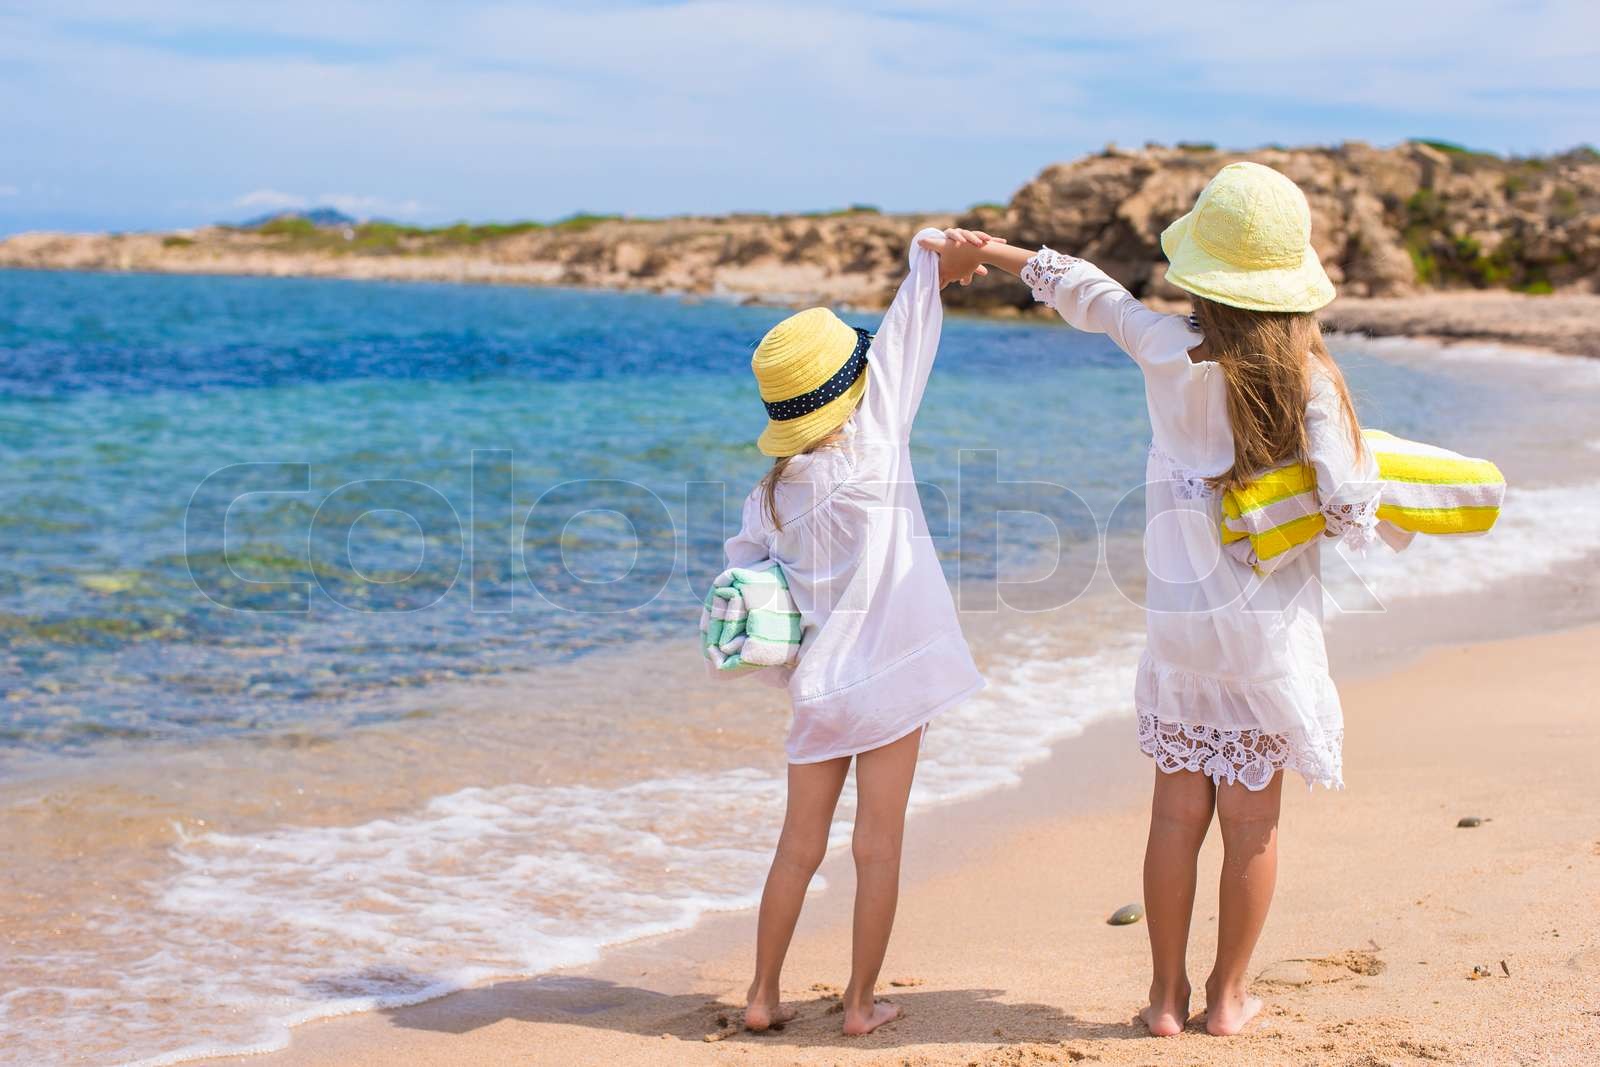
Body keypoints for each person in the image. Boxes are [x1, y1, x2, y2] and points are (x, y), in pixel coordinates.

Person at [933, 162, 1381, 1036]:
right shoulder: (1309, 379)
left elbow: (1085, 290)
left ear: (1202, 275)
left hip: (1181, 631)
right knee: (1252, 824)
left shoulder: (1164, 347)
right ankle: (1228, 997)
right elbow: (1349, 501)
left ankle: (1165, 998)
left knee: (1176, 814)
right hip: (1265, 635)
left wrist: (990, 251)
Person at [722, 226, 996, 1035]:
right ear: (854, 386)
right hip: (889, 685)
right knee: (877, 846)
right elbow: (909, 333)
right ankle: (859, 1002)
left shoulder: (770, 494)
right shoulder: (874, 448)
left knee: (796, 847)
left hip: (820, 687)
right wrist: (935, 259)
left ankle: (763, 995)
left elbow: (743, 575)